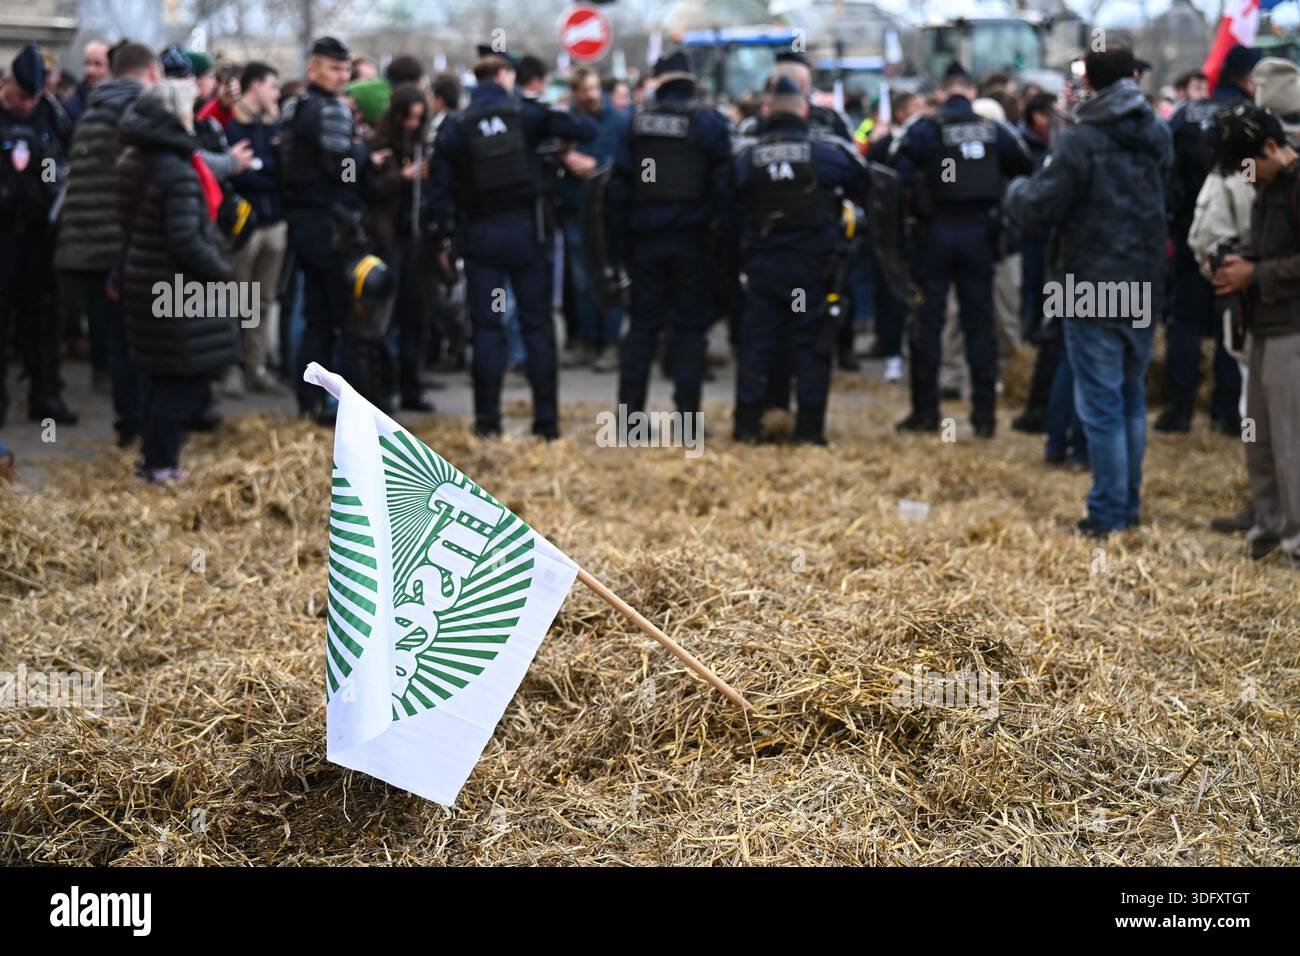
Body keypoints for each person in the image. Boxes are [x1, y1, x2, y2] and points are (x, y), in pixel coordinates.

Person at [1004, 46, 1172, 538]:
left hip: (1087, 283)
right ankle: (1128, 508)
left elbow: (1038, 207)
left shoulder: (1081, 138)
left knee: (1100, 404)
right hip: (1143, 276)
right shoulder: (1156, 131)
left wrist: (1015, 188)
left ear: (1090, 83)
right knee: (1130, 399)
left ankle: (1106, 515)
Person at [429, 51, 597, 438]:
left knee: (488, 328)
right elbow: (587, 129)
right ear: (505, 76)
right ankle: (546, 425)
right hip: (528, 237)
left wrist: (447, 237)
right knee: (537, 326)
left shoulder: (457, 124)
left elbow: (439, 191)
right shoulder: (528, 114)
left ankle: (488, 424)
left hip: (482, 241)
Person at [892, 61, 1033, 437]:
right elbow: (1024, 168)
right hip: (979, 238)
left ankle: (926, 413)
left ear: (941, 94)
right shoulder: (994, 130)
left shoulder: (924, 129)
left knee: (929, 325)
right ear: (972, 94)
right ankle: (983, 418)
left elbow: (894, 177)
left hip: (934, 236)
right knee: (979, 326)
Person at [732, 76, 867, 445]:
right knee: (811, 345)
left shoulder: (747, 158)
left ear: (767, 113)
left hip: (763, 269)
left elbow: (728, 203)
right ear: (804, 111)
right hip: (809, 272)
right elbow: (866, 186)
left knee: (758, 345)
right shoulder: (826, 154)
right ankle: (808, 431)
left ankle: (747, 427)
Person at [117, 78, 239, 483]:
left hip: (142, 276)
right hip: (174, 287)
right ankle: (162, 465)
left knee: (159, 374)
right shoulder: (178, 173)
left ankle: (153, 459)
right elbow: (186, 240)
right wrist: (224, 274)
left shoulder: (134, 159)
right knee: (182, 380)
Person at [612, 50, 732, 421]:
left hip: (645, 243)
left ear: (658, 82)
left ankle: (630, 421)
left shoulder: (635, 123)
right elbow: (725, 189)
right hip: (693, 242)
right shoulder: (709, 123)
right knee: (690, 332)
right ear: (692, 81)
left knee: (642, 329)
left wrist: (620, 248)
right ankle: (686, 423)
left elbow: (617, 190)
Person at [54, 42, 161, 443]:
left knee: (116, 338)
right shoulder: (139, 112)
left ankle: (126, 424)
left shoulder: (91, 110)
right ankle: (139, 429)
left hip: (91, 245)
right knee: (139, 341)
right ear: (151, 72)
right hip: (125, 246)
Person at [1211, 105, 1300, 564]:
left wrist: (1255, 273)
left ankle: (1296, 542)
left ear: (1271, 148)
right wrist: (1236, 262)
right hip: (1265, 326)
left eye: (1248, 167)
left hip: (1292, 329)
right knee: (1258, 438)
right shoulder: (1269, 186)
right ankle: (1269, 528)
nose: (1246, 178)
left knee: (1291, 442)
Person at [1159, 45, 1259, 435]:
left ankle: (1179, 408)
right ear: (1248, 78)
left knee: (1184, 320)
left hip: (1190, 230)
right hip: (1239, 234)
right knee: (1230, 321)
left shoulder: (1184, 114)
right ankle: (1226, 411)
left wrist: (1178, 213)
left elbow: (1163, 167)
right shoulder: (1251, 118)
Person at [280, 36, 376, 421]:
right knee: (338, 317)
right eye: (334, 68)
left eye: (345, 68)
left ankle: (310, 401)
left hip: (306, 222)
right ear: (313, 68)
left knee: (316, 318)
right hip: (329, 225)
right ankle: (335, 405)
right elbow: (344, 171)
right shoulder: (328, 110)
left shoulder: (295, 106)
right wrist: (363, 152)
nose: (342, 76)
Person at [0, 42, 77, 429]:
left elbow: (62, 162)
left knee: (43, 321)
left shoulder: (51, 115)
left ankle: (46, 397)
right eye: (20, 96)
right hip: (3, 236)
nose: (26, 105)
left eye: (32, 98)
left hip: (39, 235)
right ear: (6, 84)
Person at [368, 84, 434, 411]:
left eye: (418, 119)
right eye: (409, 118)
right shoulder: (379, 147)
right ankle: (386, 389)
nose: (412, 124)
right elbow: (370, 190)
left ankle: (413, 386)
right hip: (388, 240)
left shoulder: (422, 144)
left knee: (415, 315)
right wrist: (402, 177)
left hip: (416, 240)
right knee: (386, 318)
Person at [559, 65, 628, 371]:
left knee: (609, 280)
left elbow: (629, 166)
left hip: (610, 217)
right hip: (577, 214)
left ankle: (611, 344)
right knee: (582, 282)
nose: (591, 95)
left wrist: (596, 165)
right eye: (584, 90)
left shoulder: (621, 121)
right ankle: (588, 341)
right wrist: (564, 159)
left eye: (594, 88)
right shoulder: (566, 122)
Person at [224, 61, 287, 393]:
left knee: (263, 299)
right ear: (255, 86)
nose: (276, 93)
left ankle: (256, 365)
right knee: (238, 299)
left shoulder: (272, 129)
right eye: (272, 86)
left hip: (275, 224)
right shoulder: (231, 126)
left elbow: (281, 171)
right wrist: (258, 171)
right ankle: (231, 368)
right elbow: (236, 174)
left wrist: (259, 168)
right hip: (244, 227)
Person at [63, 39, 110, 125]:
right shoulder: (69, 107)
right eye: (87, 63)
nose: (90, 70)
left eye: (98, 64)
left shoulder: (120, 105)